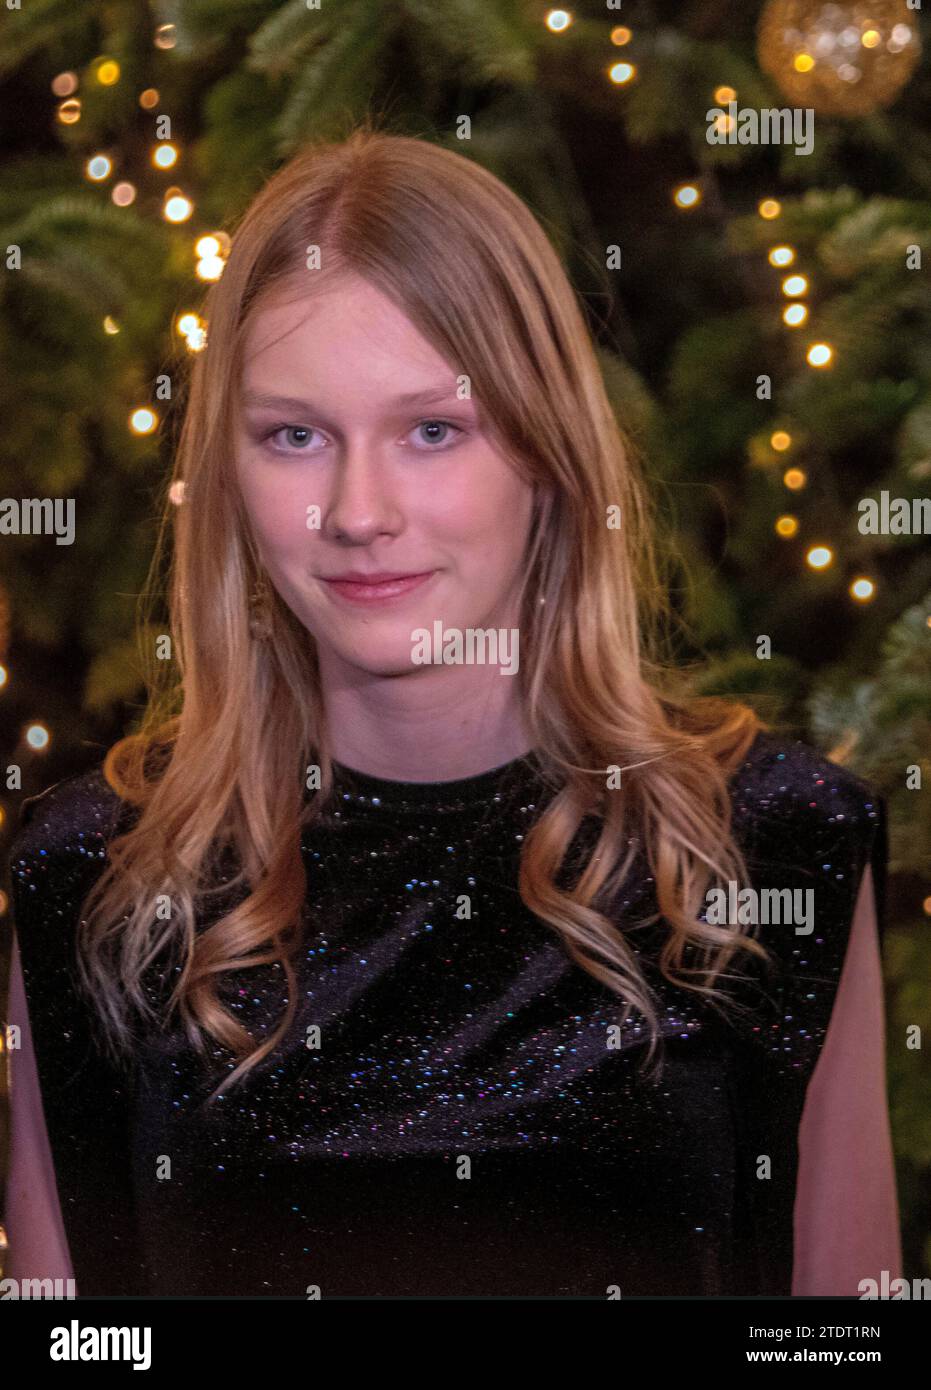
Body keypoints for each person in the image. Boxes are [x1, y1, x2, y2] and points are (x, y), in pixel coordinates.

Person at [3, 127, 901, 1298]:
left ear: (547, 451)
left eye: (433, 430)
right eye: (294, 435)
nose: (358, 510)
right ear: (227, 472)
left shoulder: (775, 844)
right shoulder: (97, 878)